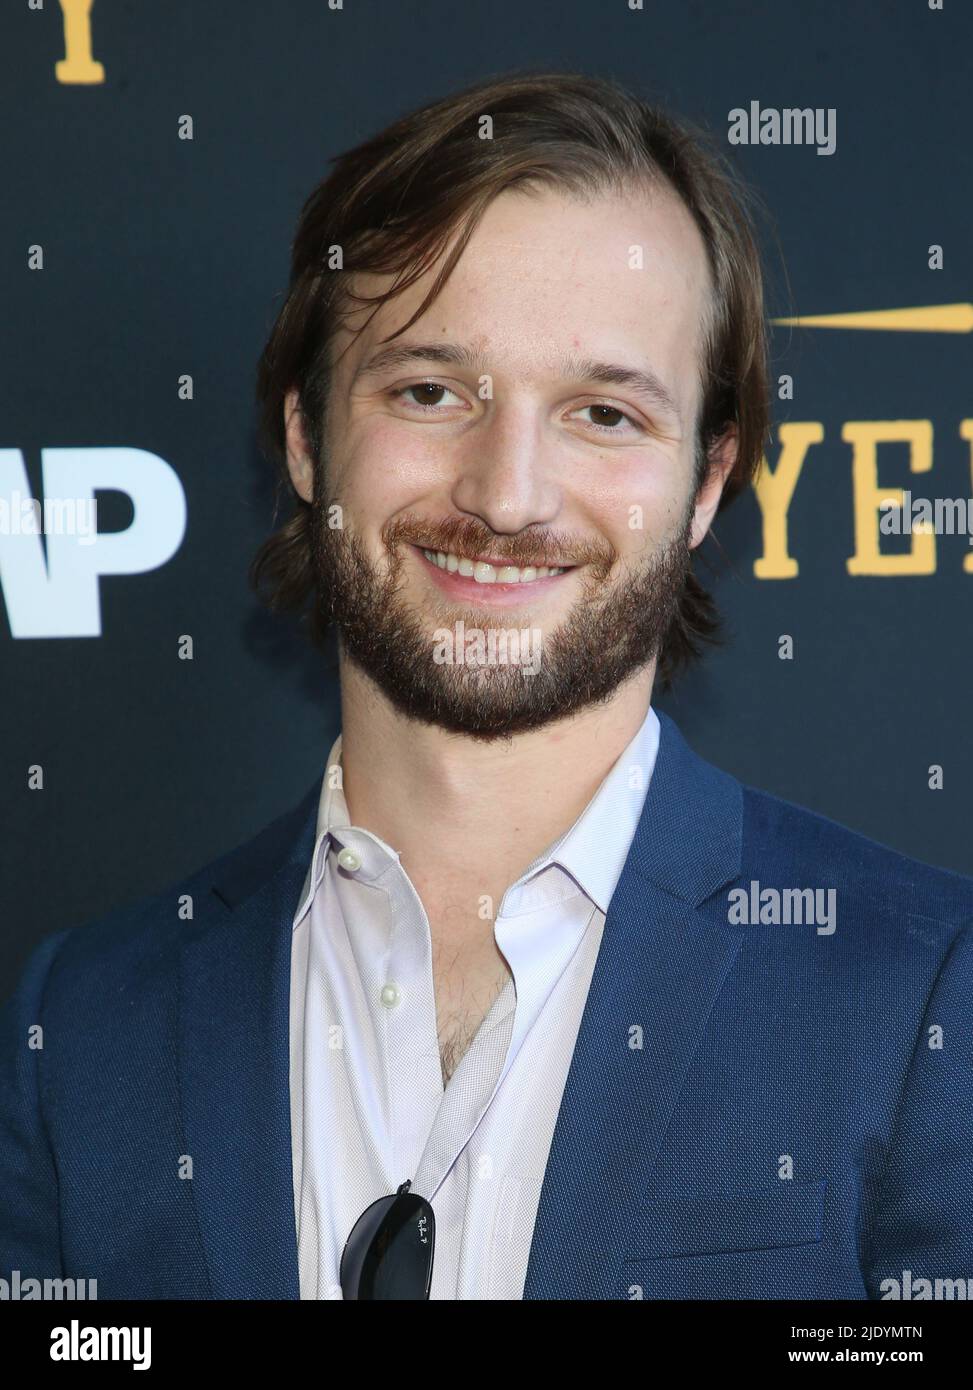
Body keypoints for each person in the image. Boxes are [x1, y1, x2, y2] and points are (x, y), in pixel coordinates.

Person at [2, 70, 971, 1302]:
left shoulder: (928, 992)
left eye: (603, 412)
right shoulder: (82, 1029)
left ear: (707, 485)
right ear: (306, 437)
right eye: (429, 390)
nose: (506, 494)